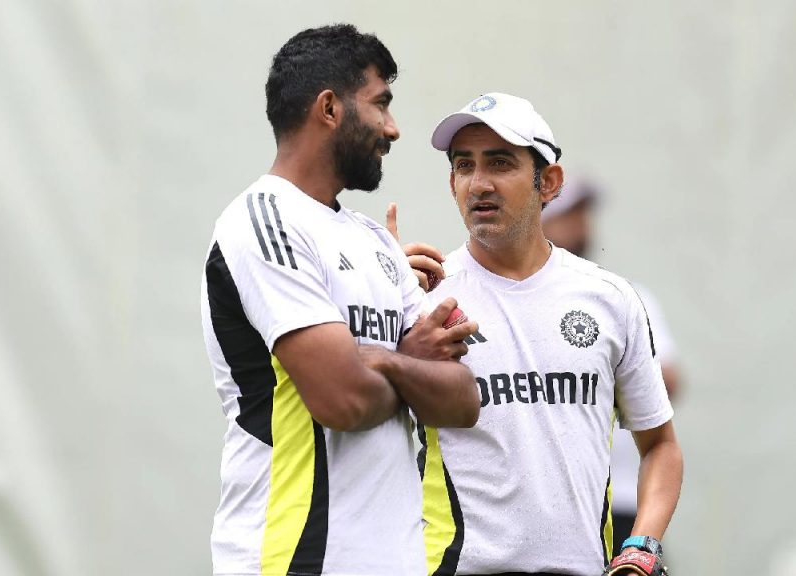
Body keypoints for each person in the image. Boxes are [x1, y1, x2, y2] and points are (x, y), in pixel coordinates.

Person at [199, 24, 481, 576]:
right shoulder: (264, 221)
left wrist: (383, 359)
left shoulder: (374, 241)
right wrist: (411, 364)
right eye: (380, 105)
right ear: (329, 108)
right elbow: (343, 401)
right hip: (296, 560)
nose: (393, 129)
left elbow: (463, 401)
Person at [395, 92, 683, 576]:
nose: (478, 184)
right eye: (464, 166)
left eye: (500, 163)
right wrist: (381, 306)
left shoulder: (610, 298)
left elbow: (661, 445)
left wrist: (641, 549)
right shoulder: (417, 298)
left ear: (548, 182)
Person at [542, 177, 684, 556]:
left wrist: (597, 378)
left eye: (583, 215)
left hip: (625, 503)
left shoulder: (624, 297)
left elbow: (670, 380)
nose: (581, 225)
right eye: (568, 215)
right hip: (551, 515)